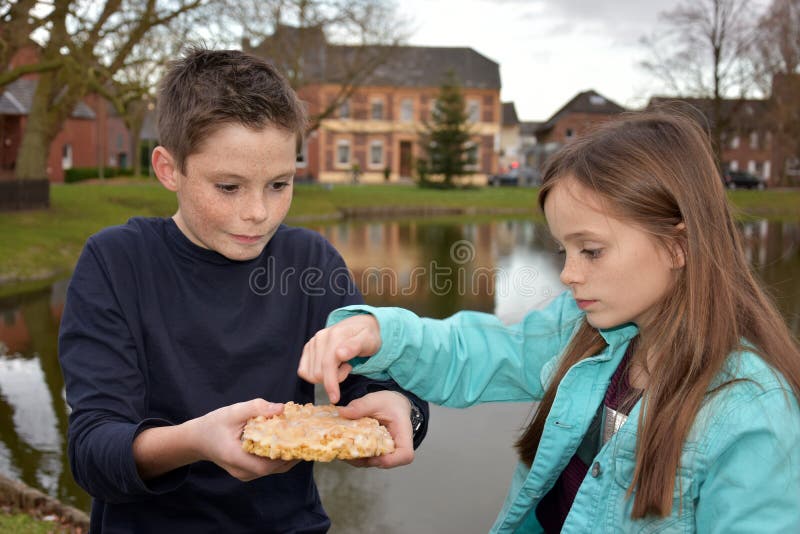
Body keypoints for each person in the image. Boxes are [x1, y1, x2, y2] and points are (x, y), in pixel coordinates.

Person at [299, 111, 800, 533]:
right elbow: (480, 351)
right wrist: (380, 332)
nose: (568, 273)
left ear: (678, 245)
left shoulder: (752, 415)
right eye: (565, 250)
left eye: (592, 250)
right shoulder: (582, 330)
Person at [58, 47, 428, 533]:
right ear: (169, 169)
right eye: (229, 187)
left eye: (279, 184)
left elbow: (381, 381)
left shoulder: (311, 261)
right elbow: (92, 453)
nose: (259, 212)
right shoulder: (115, 263)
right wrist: (193, 441)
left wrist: (403, 410)